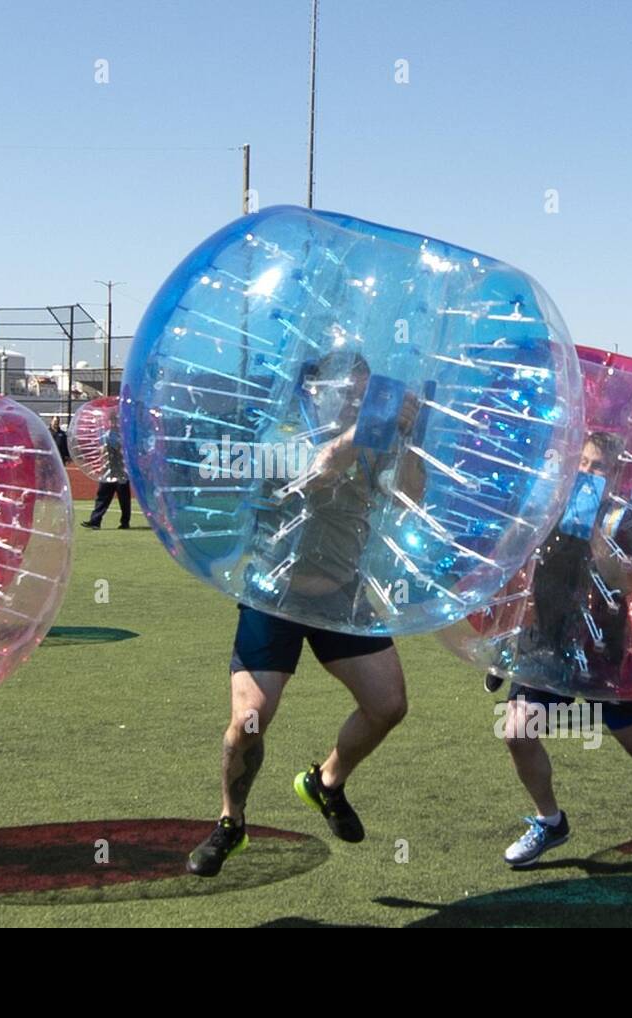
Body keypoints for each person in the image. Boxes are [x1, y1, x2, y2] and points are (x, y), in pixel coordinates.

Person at [187, 350, 424, 877]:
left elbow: (410, 498)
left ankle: (326, 782)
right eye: (350, 388)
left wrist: (407, 442)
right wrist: (366, 431)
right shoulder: (281, 433)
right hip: (274, 597)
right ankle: (231, 822)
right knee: (251, 718)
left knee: (388, 705)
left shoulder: (372, 440)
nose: (359, 398)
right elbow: (317, 474)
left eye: (367, 389)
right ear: (317, 390)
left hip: (341, 594)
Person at [491, 432, 632, 868]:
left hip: (602, 637)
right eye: (583, 464)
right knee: (517, 731)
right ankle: (550, 820)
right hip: (549, 636)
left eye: (598, 467)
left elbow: (625, 580)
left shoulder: (627, 512)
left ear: (616, 473)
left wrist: (592, 529)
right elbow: (514, 560)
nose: (588, 473)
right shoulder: (550, 500)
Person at [80, 428, 131, 529]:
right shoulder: (106, 434)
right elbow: (102, 451)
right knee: (102, 496)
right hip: (109, 472)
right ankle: (95, 521)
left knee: (124, 499)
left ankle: (125, 522)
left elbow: (123, 451)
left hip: (121, 472)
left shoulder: (124, 435)